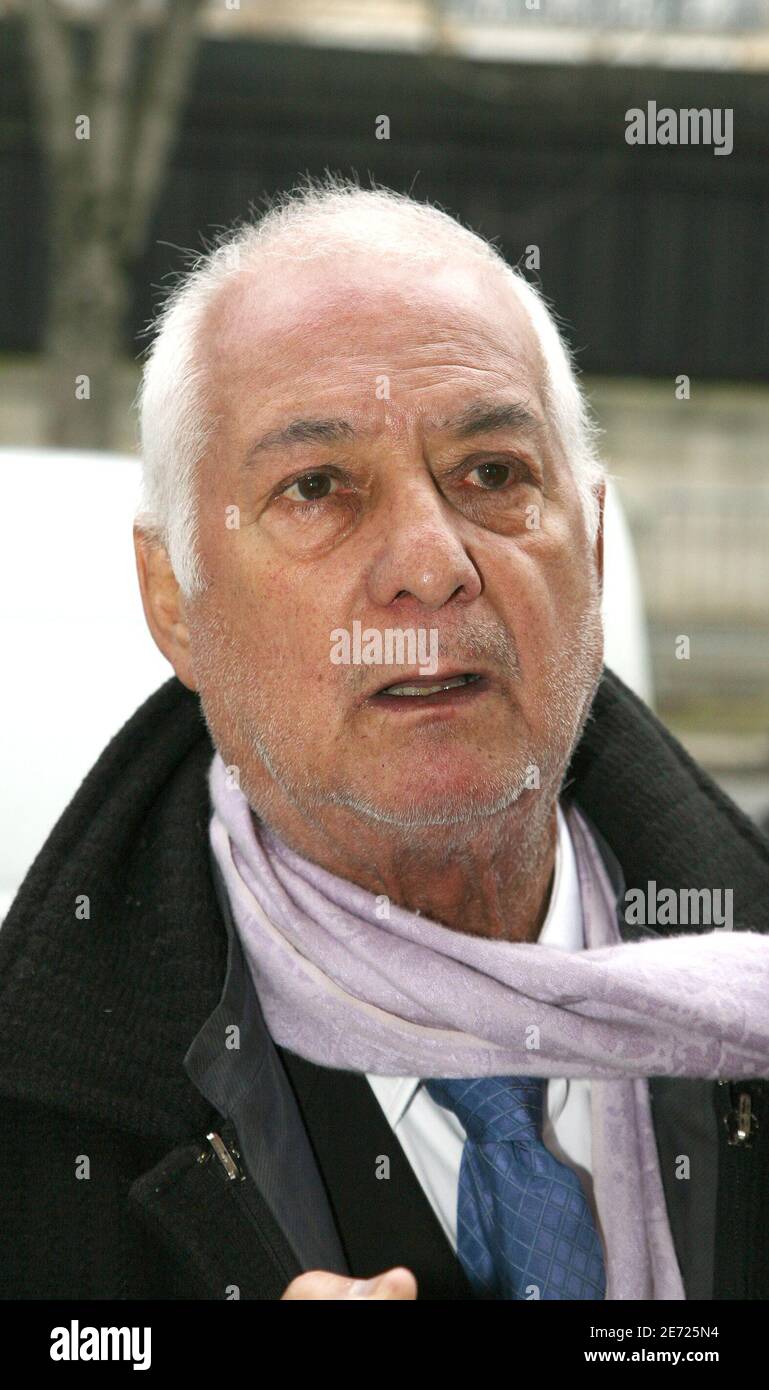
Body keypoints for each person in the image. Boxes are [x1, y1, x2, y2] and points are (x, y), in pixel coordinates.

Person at [2, 177, 768, 1302]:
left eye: (492, 474)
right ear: (174, 598)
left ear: (592, 546)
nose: (430, 560)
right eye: (318, 488)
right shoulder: (36, 1130)